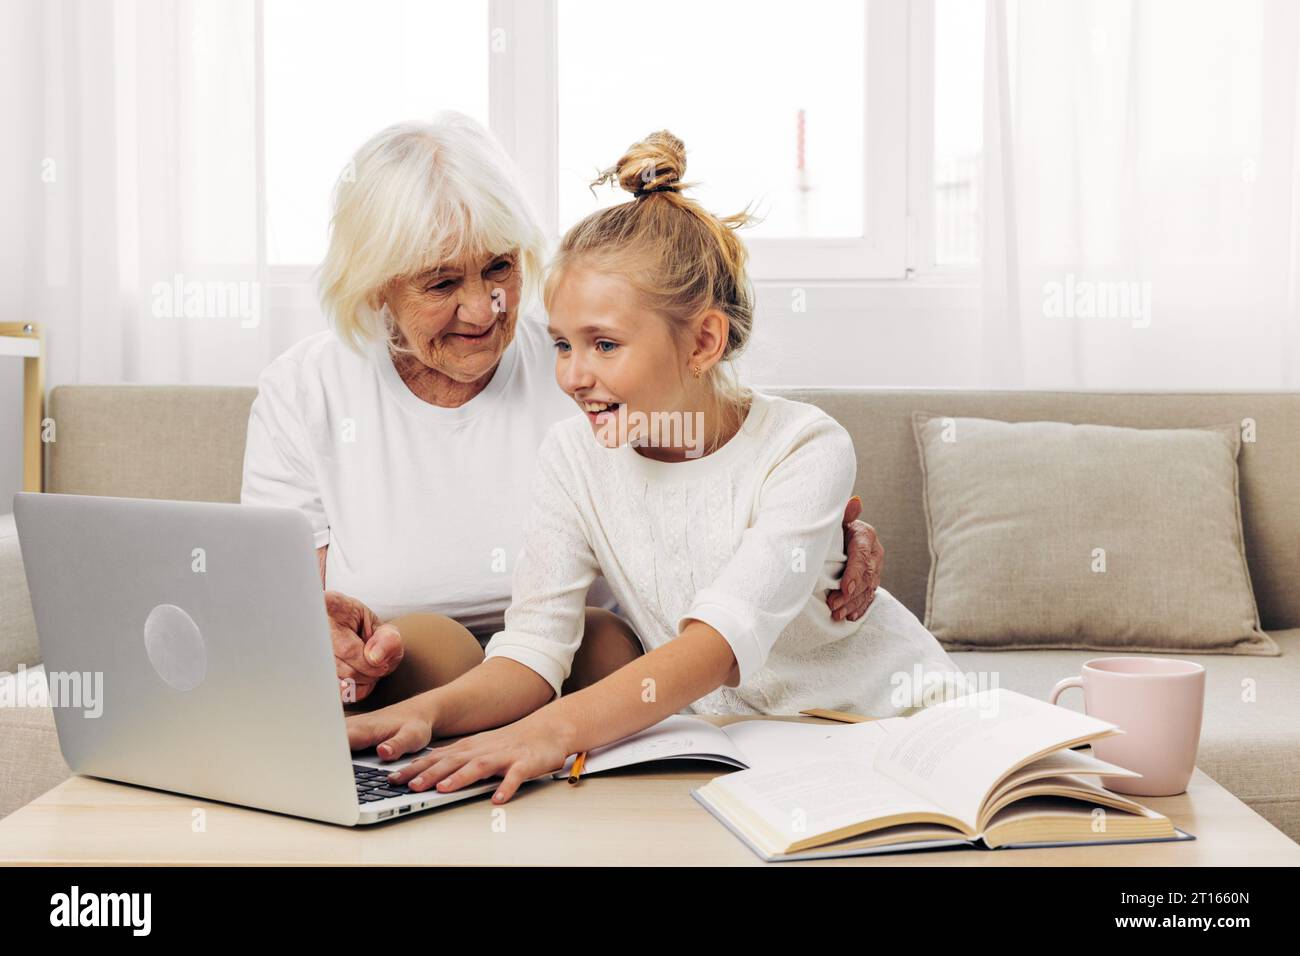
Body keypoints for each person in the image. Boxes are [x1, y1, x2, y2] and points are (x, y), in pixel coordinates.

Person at [345, 131, 966, 803]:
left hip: (904, 727)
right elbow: (533, 650)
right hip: (756, 750)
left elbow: (722, 640)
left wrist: (551, 731)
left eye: (604, 344)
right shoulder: (571, 458)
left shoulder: (805, 448)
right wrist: (425, 714)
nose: (573, 376)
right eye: (561, 344)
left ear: (703, 340)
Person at [240, 112, 884, 709]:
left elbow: (717, 460)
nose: (483, 309)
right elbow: (283, 605)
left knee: (598, 639)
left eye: (499, 268)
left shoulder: (583, 359)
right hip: (404, 681)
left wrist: (818, 545)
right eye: (441, 283)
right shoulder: (304, 392)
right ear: (374, 285)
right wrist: (319, 637)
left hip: (594, 676)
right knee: (433, 644)